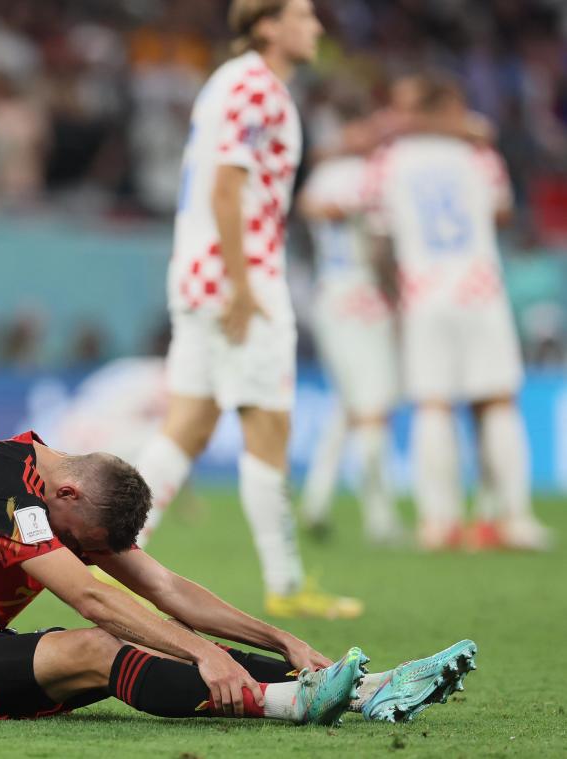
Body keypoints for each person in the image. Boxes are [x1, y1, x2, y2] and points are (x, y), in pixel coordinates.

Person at [0, 431, 478, 723]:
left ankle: (367, 689)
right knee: (104, 645)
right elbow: (90, 598)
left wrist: (282, 639)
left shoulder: (60, 497)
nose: (80, 553)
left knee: (145, 635)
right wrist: (200, 652)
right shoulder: (0, 491)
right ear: (69, 495)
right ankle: (290, 703)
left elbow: (163, 588)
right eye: (81, 544)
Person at [131, 0, 360, 618]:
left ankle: (114, 552)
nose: (316, 27)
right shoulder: (258, 88)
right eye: (304, 17)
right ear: (267, 25)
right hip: (239, 277)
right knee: (269, 427)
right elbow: (227, 186)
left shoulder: (226, 85)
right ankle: (287, 583)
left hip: (200, 271)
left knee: (189, 424)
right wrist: (243, 283)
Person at [365, 74, 553, 552]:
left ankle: (437, 523)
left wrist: (396, 291)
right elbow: (502, 213)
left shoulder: (388, 161)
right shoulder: (479, 155)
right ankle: (514, 519)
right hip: (479, 289)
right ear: (450, 108)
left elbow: (379, 236)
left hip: (424, 293)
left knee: (433, 405)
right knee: (497, 401)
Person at [297, 102, 404, 545]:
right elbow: (381, 248)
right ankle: (380, 517)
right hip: (364, 297)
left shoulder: (328, 173)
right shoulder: (377, 174)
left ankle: (316, 501)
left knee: (349, 404)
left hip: (330, 294)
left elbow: (305, 206)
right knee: (374, 406)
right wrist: (396, 299)